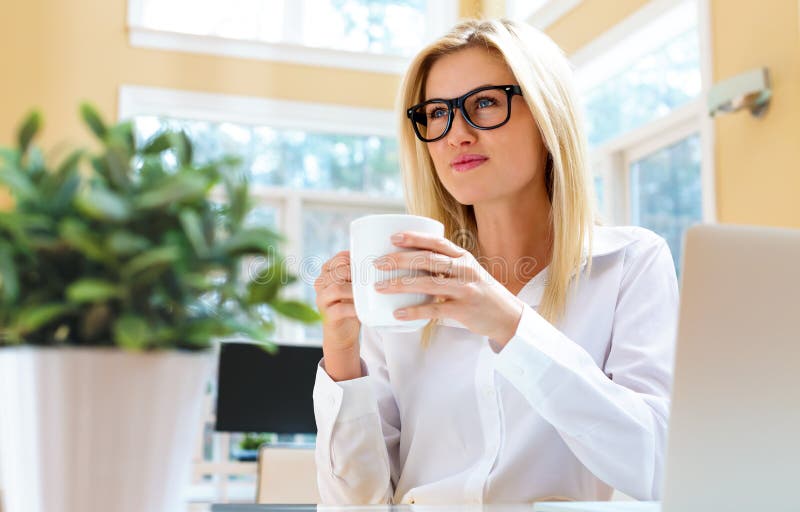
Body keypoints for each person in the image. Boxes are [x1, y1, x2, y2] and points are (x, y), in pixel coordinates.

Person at [311, 18, 679, 505]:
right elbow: (353, 504)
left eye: (484, 103)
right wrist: (341, 358)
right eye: (437, 113)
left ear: (547, 118)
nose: (455, 134)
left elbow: (654, 466)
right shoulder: (403, 288)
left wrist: (510, 324)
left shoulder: (629, 264)